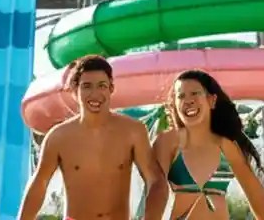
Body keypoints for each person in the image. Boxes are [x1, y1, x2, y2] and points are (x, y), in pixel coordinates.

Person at [18, 54, 169, 220]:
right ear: (75, 90)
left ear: (111, 88)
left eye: (102, 86)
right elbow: (39, 183)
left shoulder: (133, 131)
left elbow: (156, 181)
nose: (95, 94)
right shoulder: (58, 137)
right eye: (87, 86)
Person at [152, 70, 264, 220]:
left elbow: (256, 196)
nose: (188, 100)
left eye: (195, 94)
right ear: (175, 104)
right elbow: (155, 191)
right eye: (181, 96)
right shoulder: (168, 142)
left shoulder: (226, 146)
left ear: (212, 100)